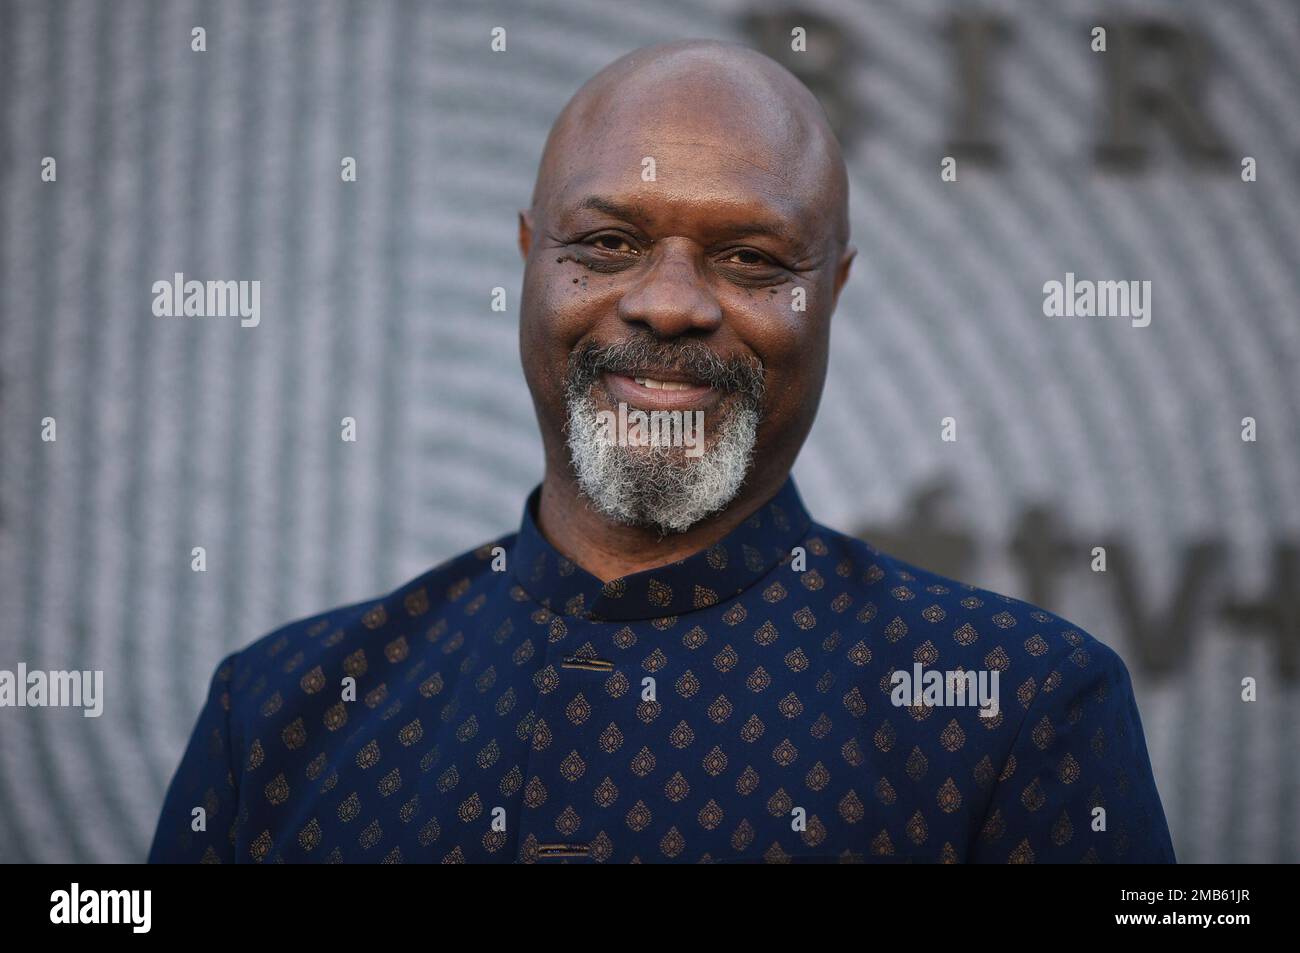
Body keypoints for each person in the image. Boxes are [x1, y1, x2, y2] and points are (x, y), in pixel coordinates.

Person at [149, 39, 1175, 864]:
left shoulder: (1023, 708)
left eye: (749, 258)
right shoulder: (278, 716)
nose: (670, 303)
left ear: (831, 291)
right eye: (606, 243)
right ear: (528, 257)